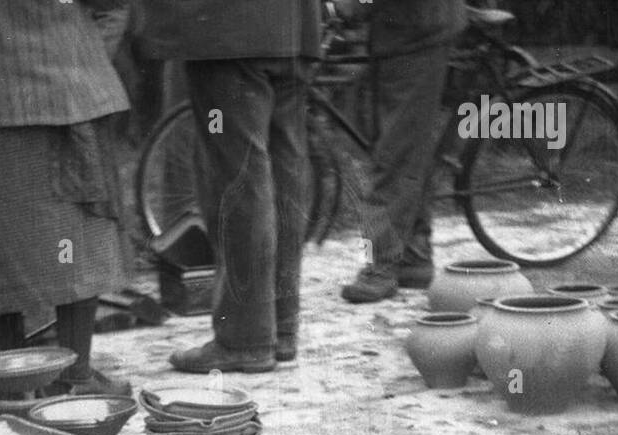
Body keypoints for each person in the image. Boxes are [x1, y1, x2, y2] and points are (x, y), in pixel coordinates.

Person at [0, 0, 131, 391]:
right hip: (56, 90)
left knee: (0, 243)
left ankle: (14, 378)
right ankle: (74, 377)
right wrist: (83, 59)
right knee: (74, 237)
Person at [138, 0, 321, 374]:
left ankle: (245, 338)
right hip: (293, 27)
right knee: (284, 172)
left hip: (227, 31)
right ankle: (280, 328)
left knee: (239, 180)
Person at [340, 0, 467, 303]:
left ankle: (380, 268)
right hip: (407, 31)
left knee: (395, 156)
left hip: (416, 32)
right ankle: (414, 257)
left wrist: (348, 6)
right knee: (407, 149)